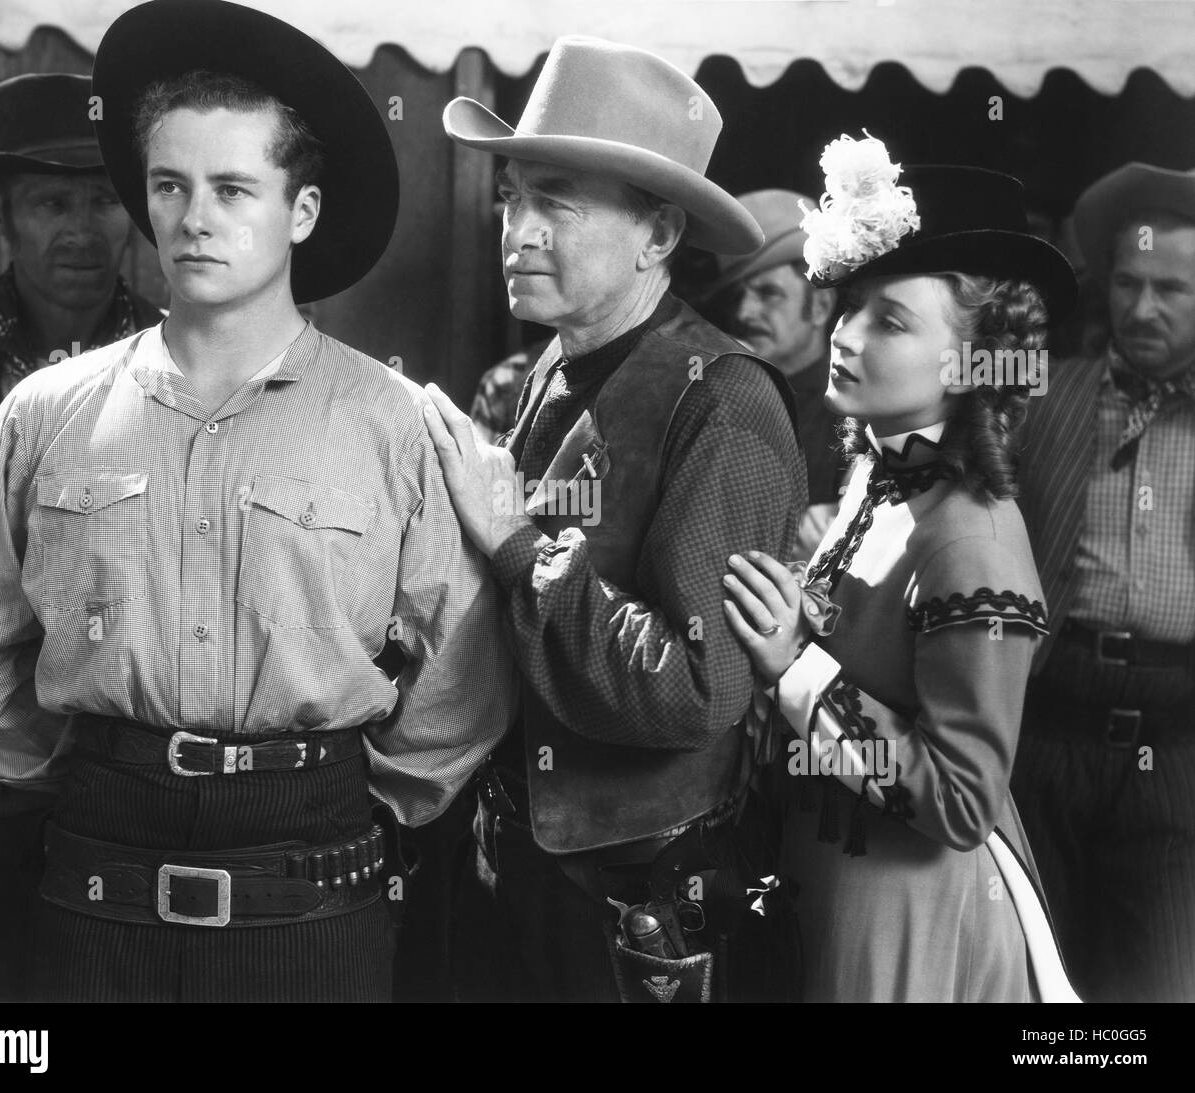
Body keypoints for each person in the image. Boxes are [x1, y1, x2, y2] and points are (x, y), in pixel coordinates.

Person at [0, 0, 513, 1003]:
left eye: (233, 188)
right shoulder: (46, 414)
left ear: (301, 211)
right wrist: (84, 763)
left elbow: (462, 674)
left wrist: (344, 792)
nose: (195, 218)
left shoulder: (392, 421)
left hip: (314, 892)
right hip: (98, 881)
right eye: (169, 186)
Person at [422, 35, 806, 1003]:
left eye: (556, 202)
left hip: (638, 906)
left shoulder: (724, 399)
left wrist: (516, 544)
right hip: (515, 867)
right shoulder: (555, 363)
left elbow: (694, 691)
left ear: (659, 234)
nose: (518, 231)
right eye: (511, 196)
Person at [722, 134, 1080, 1001]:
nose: (845, 335)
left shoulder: (971, 538)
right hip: (826, 885)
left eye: (891, 321)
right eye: (851, 307)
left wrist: (795, 666)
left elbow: (963, 798)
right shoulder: (877, 476)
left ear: (970, 360)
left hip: (905, 915)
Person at [0, 72, 162, 1001]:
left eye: (105, 201)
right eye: (53, 203)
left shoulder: (187, 365)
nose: (83, 230)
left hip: (138, 825)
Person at [1012, 162, 1195, 1003]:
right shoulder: (1045, 395)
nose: (1143, 307)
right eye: (1128, 282)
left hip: (1178, 740)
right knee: (1036, 971)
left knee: (1164, 975)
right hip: (1048, 724)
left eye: (1172, 288)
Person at [691, 190, 842, 557]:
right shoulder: (718, 391)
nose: (744, 313)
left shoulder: (853, 414)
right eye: (739, 295)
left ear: (820, 306)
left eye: (768, 293)